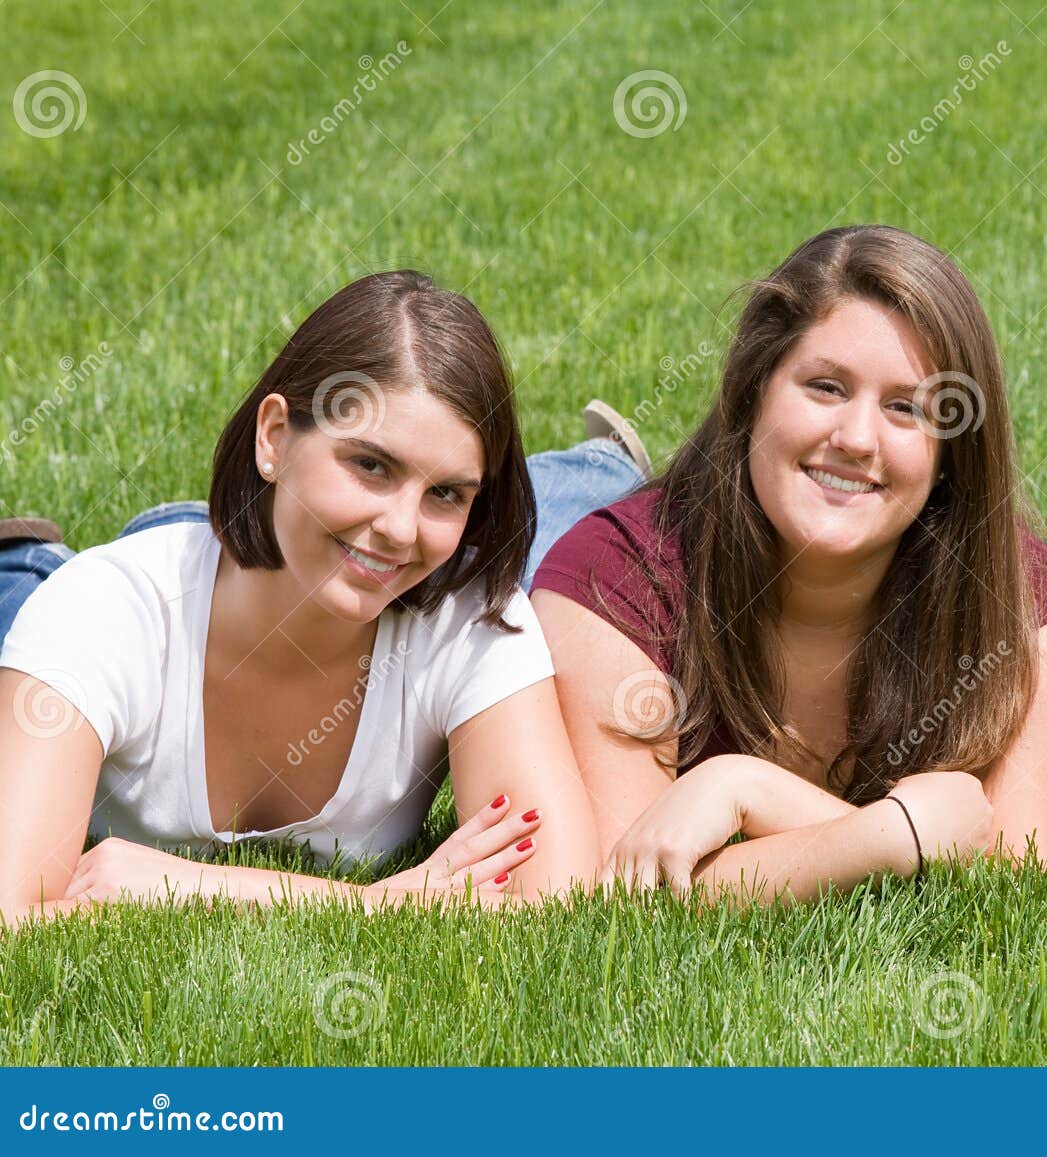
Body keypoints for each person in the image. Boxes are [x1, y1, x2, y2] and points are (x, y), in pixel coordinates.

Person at [0, 271, 643, 926]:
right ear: (274, 435)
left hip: (295, 547)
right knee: (21, 601)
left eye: (447, 492)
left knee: (535, 549)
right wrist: (394, 900)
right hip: (176, 570)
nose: (400, 525)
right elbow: (10, 909)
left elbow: (554, 900)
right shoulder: (100, 612)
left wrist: (204, 885)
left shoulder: (472, 612)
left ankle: (599, 471)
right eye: (370, 464)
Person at [531, 225, 1047, 903]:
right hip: (583, 529)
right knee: (508, 537)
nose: (854, 438)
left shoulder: (1021, 598)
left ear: (952, 456)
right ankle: (599, 467)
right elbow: (622, 887)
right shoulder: (609, 577)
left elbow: (1008, 876)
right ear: (753, 390)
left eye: (906, 408)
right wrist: (898, 836)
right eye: (825, 387)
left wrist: (743, 787)